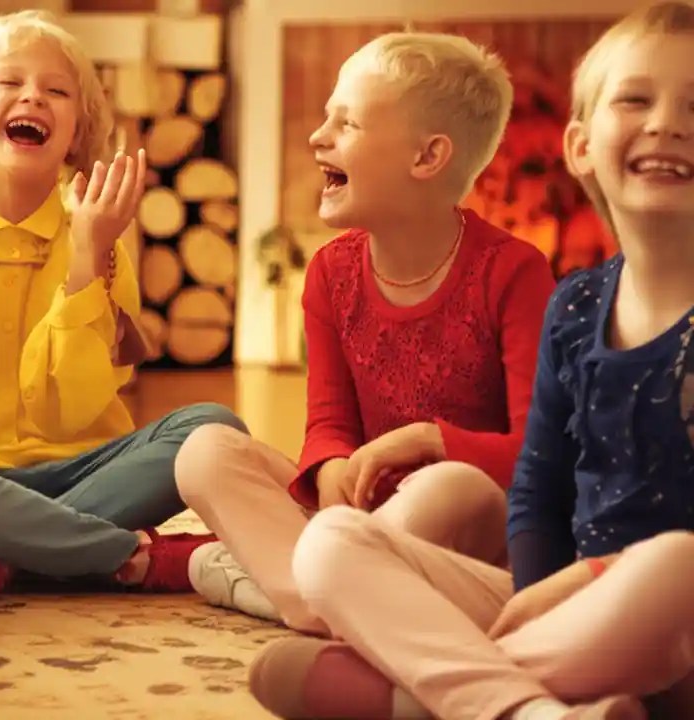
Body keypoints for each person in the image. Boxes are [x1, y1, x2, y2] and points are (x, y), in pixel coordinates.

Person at [248, 4, 694, 719]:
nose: (667, 123)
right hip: (553, 605)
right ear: (581, 146)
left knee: (677, 567)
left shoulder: (514, 272)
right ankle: (530, 708)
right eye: (637, 100)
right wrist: (538, 593)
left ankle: (415, 693)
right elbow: (539, 488)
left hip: (665, 613)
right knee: (329, 543)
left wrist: (582, 582)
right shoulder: (578, 306)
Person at [0, 10, 245, 604]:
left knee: (214, 429)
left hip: (85, 469)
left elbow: (72, 412)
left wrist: (86, 261)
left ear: (77, 133)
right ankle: (129, 558)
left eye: (56, 91)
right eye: (10, 82)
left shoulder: (100, 242)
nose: (33, 96)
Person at [175, 30, 556, 634]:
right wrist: (331, 470)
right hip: (363, 514)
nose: (317, 136)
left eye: (347, 123)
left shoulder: (514, 272)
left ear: (427, 158)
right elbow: (329, 424)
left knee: (449, 486)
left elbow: (540, 453)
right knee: (205, 450)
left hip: (467, 518)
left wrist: (427, 441)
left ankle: (298, 586)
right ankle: (323, 598)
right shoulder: (331, 273)